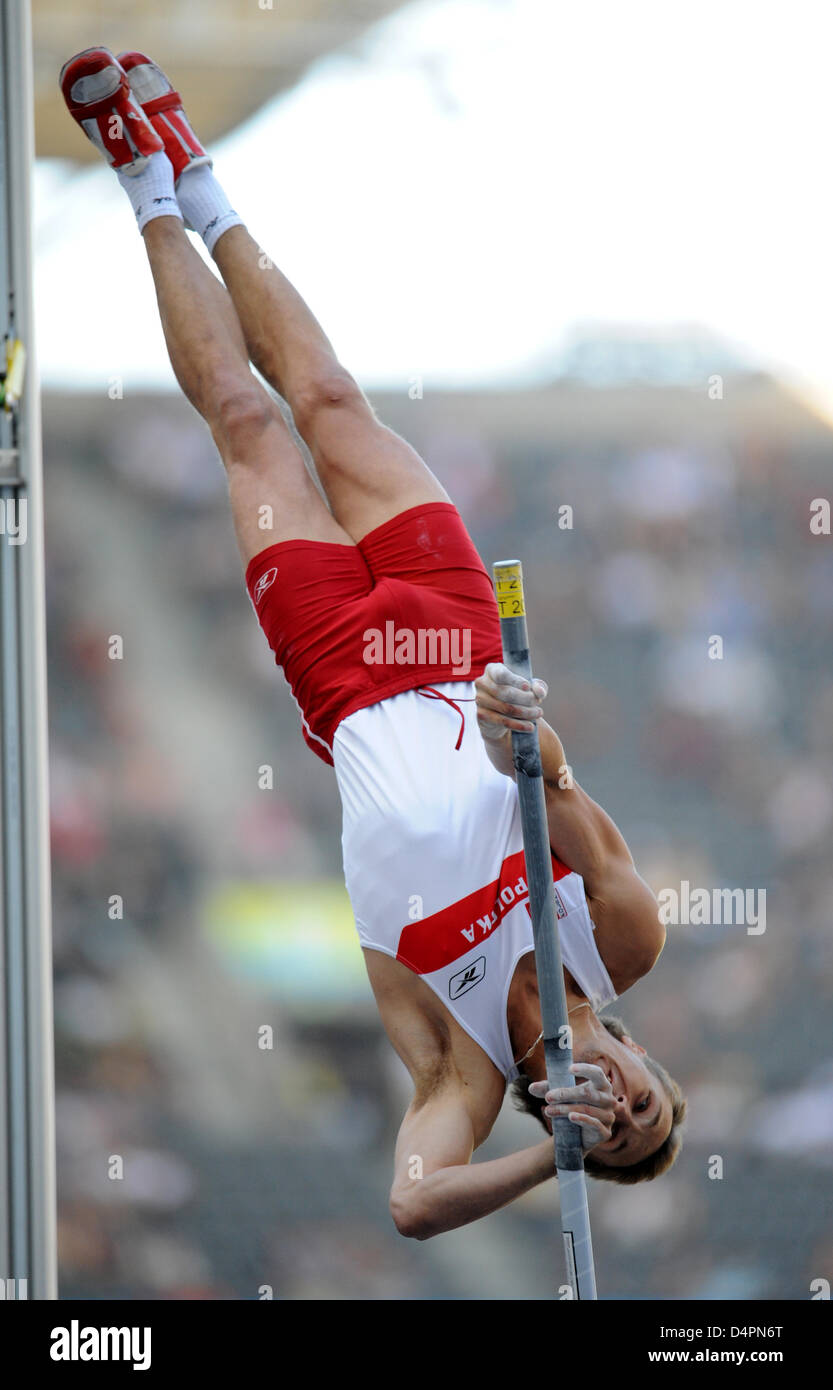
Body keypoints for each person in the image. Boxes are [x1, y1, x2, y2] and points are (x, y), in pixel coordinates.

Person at [61, 47, 686, 1240]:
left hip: (340, 669)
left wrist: (547, 1161)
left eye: (620, 1133)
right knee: (329, 398)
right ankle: (199, 178)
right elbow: (560, 789)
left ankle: (138, 184)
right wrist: (523, 726)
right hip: (452, 633)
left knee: (245, 423)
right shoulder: (623, 945)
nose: (625, 1109)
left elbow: (410, 1205)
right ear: (643, 1062)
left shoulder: (457, 1068)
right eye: (646, 1107)